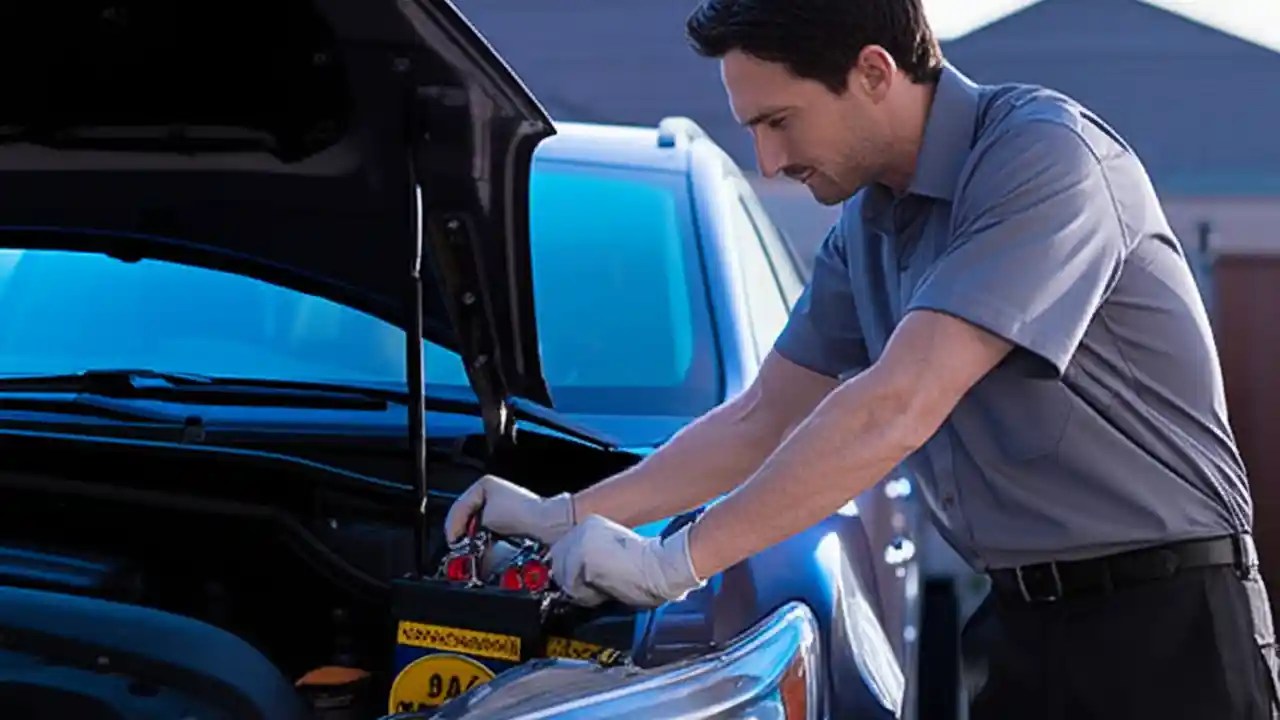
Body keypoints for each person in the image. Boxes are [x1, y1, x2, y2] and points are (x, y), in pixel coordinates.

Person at [444, 0, 1280, 716]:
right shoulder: (869, 226)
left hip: (1169, 629)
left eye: (780, 121)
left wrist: (676, 562)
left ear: (874, 72)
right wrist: (571, 516)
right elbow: (761, 416)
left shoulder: (1044, 162)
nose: (768, 161)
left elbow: (898, 403)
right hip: (1023, 626)